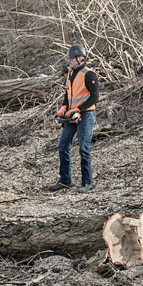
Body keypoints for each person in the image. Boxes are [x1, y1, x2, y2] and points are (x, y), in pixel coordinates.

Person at [46, 43, 99, 193]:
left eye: (71, 58)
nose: (69, 61)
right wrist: (64, 106)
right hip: (71, 115)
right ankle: (65, 180)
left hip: (86, 115)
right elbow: (68, 94)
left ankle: (86, 183)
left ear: (80, 58)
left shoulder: (89, 74)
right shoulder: (69, 74)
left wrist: (79, 109)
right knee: (63, 146)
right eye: (69, 58)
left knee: (84, 148)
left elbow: (95, 97)